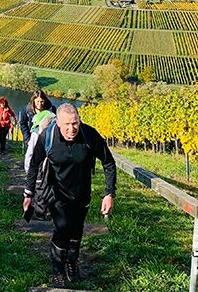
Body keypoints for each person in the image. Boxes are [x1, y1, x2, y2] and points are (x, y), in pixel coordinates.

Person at [23, 104, 116, 286]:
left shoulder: (89, 135)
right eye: (66, 124)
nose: (71, 129)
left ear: (79, 120)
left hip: (82, 194)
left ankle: (72, 261)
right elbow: (34, 164)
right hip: (57, 193)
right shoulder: (47, 137)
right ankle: (57, 269)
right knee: (63, 228)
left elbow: (108, 162)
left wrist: (109, 193)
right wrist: (28, 193)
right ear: (57, 123)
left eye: (75, 123)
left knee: (77, 230)